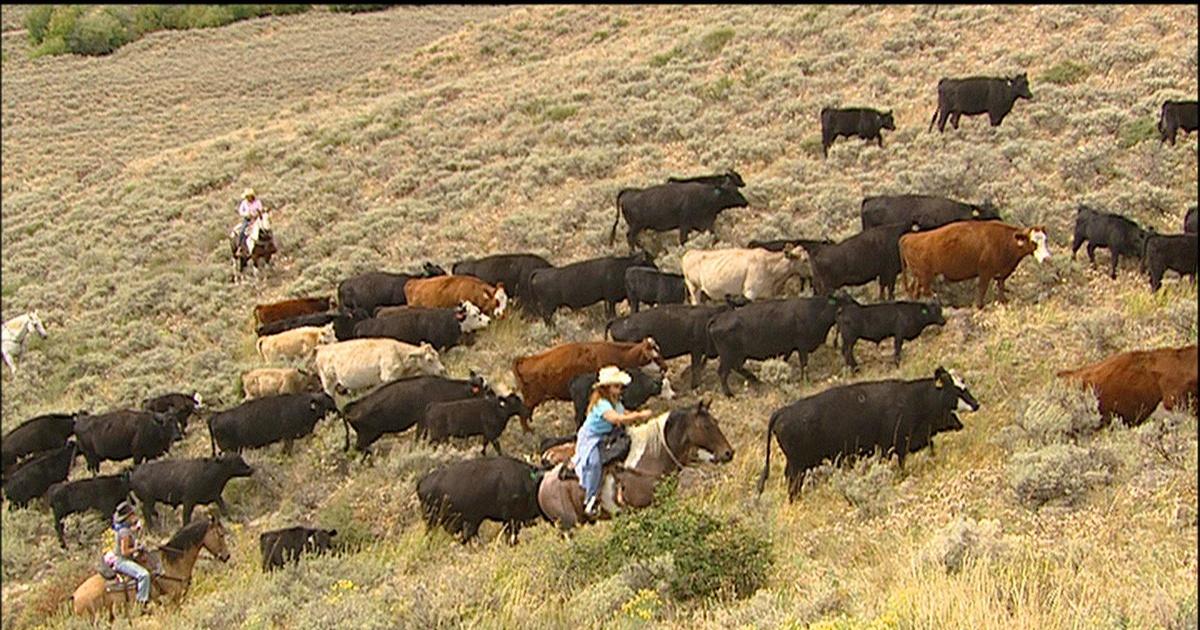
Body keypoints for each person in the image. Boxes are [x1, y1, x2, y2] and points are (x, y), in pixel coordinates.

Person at [572, 366, 655, 518]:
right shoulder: (601, 404)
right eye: (616, 386)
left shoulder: (615, 403)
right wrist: (639, 415)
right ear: (606, 388)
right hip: (591, 438)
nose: (620, 390)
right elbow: (615, 418)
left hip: (607, 435)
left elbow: (623, 413)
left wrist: (636, 416)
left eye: (620, 386)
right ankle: (590, 498)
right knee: (594, 462)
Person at [109, 501, 152, 609]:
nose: (134, 516)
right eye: (132, 514)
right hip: (122, 561)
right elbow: (124, 551)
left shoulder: (125, 529)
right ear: (128, 517)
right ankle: (141, 603)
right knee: (144, 575)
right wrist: (137, 548)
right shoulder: (125, 533)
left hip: (124, 559)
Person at [235, 188, 263, 253]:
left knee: (266, 230)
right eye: (247, 197)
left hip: (257, 220)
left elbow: (260, 209)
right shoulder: (244, 203)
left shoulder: (257, 202)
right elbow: (241, 211)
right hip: (247, 220)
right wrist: (246, 214)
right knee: (242, 231)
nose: (248, 198)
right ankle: (239, 247)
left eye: (248, 197)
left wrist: (256, 213)